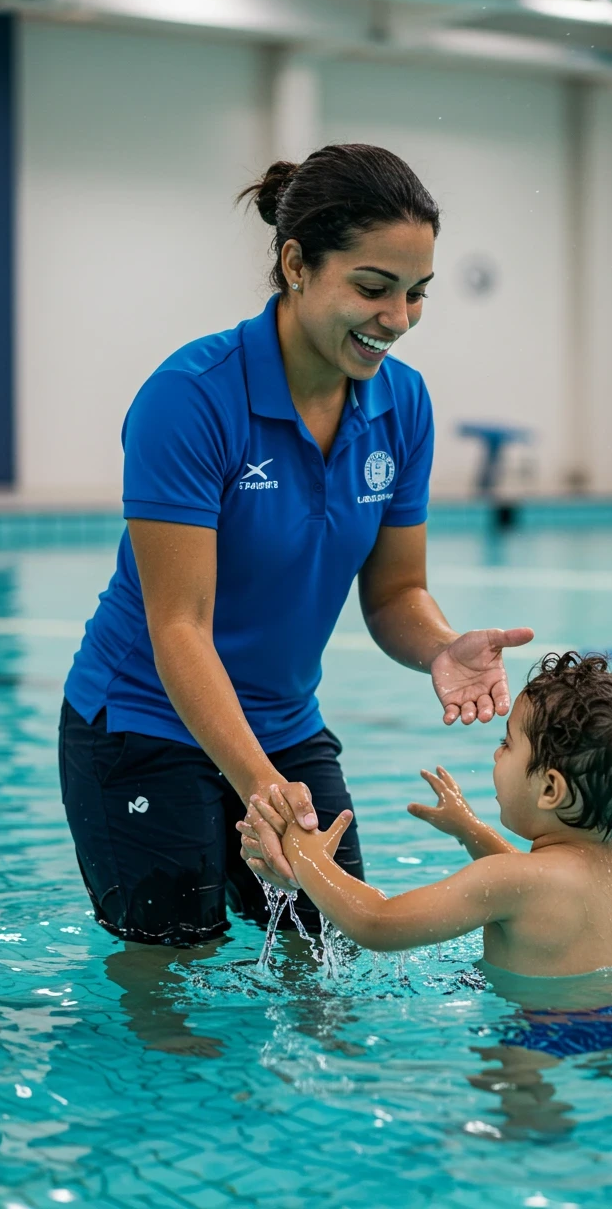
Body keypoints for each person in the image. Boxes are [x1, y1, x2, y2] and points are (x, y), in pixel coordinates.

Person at [58, 141, 534, 950]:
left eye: (417, 295)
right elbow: (180, 627)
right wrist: (260, 787)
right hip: (143, 724)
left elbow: (394, 594)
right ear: (296, 264)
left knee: (328, 954)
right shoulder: (192, 400)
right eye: (373, 288)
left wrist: (441, 648)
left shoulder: (401, 405)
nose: (397, 320)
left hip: (283, 724)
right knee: (173, 973)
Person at [239, 652, 612, 978]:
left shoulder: (513, 881)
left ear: (550, 789)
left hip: (546, 1033)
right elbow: (531, 886)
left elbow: (377, 922)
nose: (496, 752)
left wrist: (305, 854)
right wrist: (470, 830)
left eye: (508, 743)